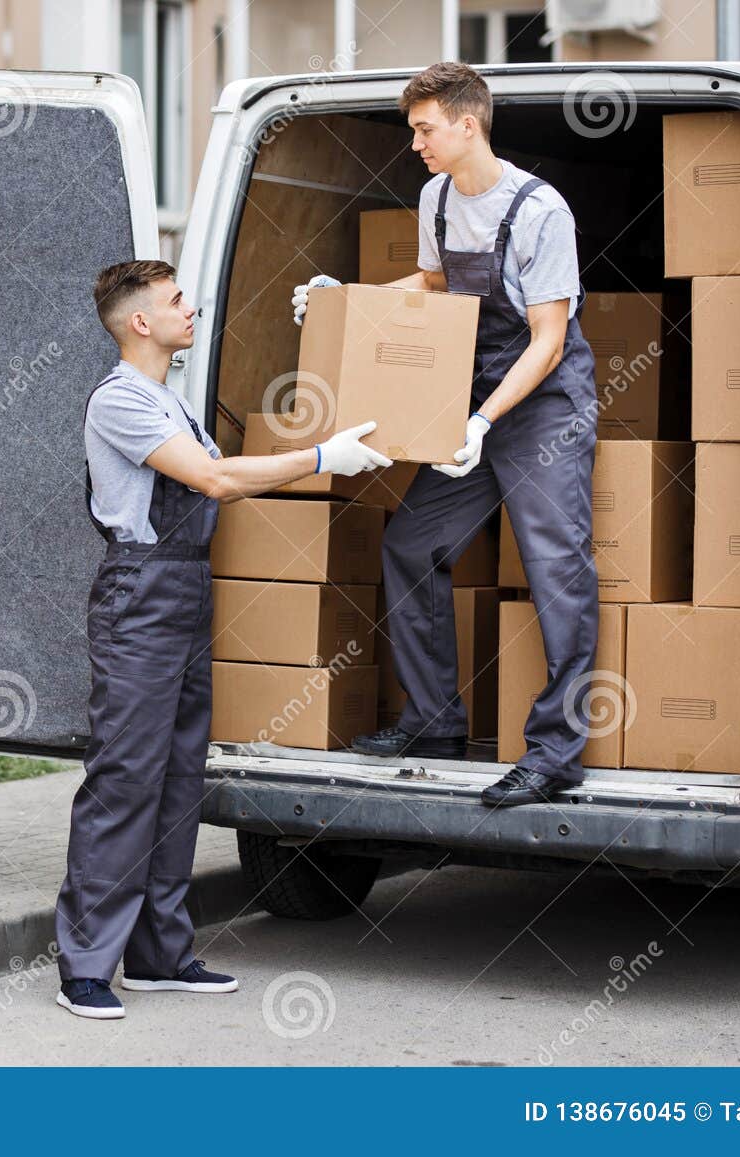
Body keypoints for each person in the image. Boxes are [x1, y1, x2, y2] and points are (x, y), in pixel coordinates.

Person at [55, 259, 390, 1019]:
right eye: (176, 301)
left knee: (177, 780)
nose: (190, 307)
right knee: (124, 779)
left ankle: (160, 954)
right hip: (139, 593)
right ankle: (84, 964)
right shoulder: (121, 402)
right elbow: (212, 481)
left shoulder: (169, 400)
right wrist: (319, 458)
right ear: (140, 322)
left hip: (182, 587)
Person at [291, 61, 599, 809]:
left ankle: (554, 753)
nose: (416, 145)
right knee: (410, 544)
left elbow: (548, 339)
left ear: (468, 124)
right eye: (414, 131)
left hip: (541, 405)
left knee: (555, 567)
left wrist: (485, 420)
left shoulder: (539, 211)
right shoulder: (435, 197)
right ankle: (433, 723)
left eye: (425, 130)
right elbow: (434, 287)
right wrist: (346, 300)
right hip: (470, 398)